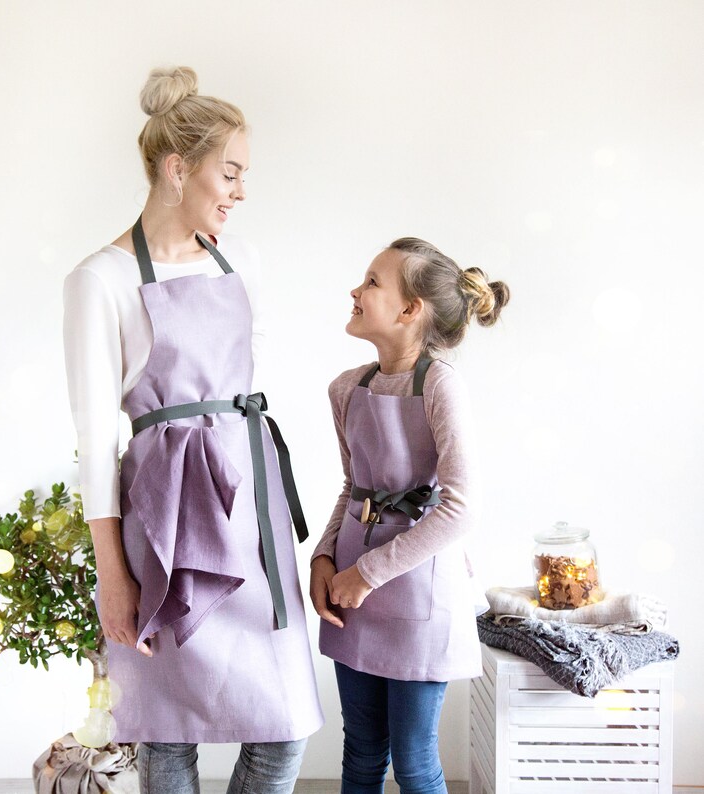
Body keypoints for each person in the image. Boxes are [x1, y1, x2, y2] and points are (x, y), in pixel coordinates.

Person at [63, 66, 323, 794]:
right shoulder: (100, 280)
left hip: (250, 511)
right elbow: (96, 443)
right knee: (165, 727)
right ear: (179, 169)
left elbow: (242, 382)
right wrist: (112, 575)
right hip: (164, 519)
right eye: (230, 173)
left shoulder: (244, 261)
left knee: (283, 726)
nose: (241, 192)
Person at [310, 237, 509, 794]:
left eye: (372, 281)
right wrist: (324, 556)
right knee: (362, 753)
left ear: (409, 309)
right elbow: (353, 486)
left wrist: (366, 574)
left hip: (416, 592)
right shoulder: (347, 388)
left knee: (415, 760)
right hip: (349, 591)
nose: (355, 289)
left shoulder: (442, 385)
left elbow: (460, 507)